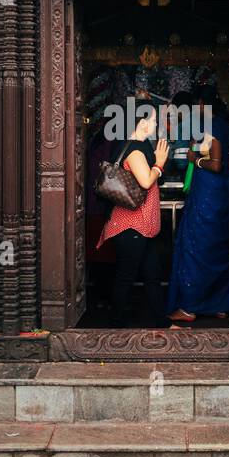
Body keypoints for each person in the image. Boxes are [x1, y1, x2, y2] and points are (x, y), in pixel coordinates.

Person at [168, 84, 229, 322]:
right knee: (218, 249)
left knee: (197, 247)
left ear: (203, 105)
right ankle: (219, 305)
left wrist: (194, 159)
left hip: (208, 196)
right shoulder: (226, 126)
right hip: (222, 195)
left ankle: (189, 307)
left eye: (196, 105)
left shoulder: (213, 126)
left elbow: (215, 164)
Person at [96, 108, 169, 326]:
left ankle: (161, 322)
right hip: (131, 226)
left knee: (152, 275)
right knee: (126, 277)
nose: (155, 125)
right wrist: (160, 163)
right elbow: (146, 181)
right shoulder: (135, 150)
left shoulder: (135, 146)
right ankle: (116, 327)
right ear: (142, 122)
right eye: (153, 121)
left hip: (142, 226)